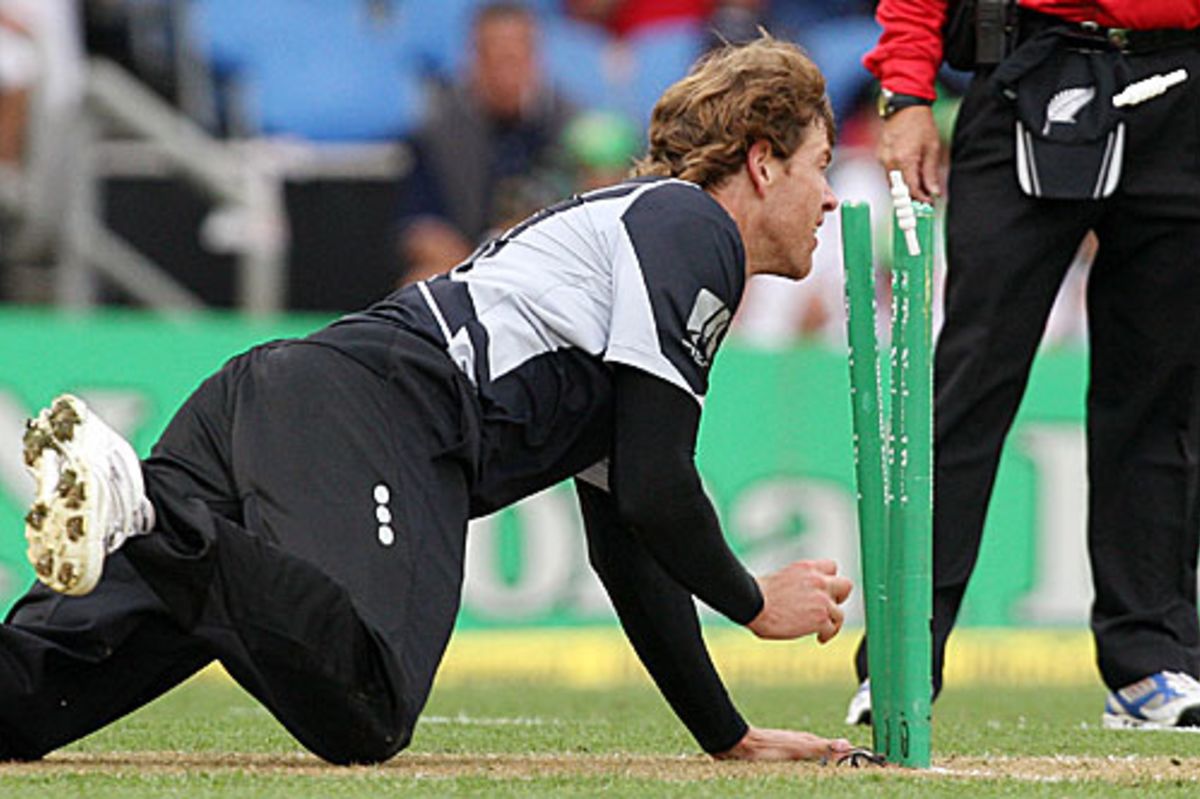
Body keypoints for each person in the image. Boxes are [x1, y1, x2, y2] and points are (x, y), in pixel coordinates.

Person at [5, 35, 858, 765]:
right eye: (820, 166)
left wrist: (726, 734)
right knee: (367, 704)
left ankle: (145, 513)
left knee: (28, 699)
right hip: (375, 412)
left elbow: (630, 540)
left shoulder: (643, 239)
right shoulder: (695, 228)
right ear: (761, 160)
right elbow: (657, 483)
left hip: (285, 396)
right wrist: (752, 600)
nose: (828, 196)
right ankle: (151, 511)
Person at [847, 0, 1200, 729]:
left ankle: (1151, 662)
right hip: (1031, 73)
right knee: (971, 380)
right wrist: (906, 93)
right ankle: (902, 655)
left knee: (1163, 398)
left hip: (1184, 83)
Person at [397, 1, 575, 284]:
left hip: (550, 266)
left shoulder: (570, 127)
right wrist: (455, 253)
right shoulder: (438, 131)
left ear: (535, 59)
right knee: (420, 281)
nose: (504, 72)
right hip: (466, 264)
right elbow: (418, 223)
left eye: (513, 58)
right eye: (493, 58)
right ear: (472, 60)